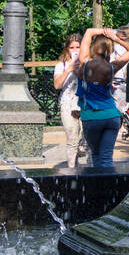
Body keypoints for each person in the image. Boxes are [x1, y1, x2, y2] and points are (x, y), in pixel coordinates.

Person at [76, 26, 129, 168]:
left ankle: (98, 188)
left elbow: (88, 31)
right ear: (109, 50)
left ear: (93, 48)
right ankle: (110, 187)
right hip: (111, 117)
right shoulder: (111, 68)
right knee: (107, 157)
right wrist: (114, 36)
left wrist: (105, 31)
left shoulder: (84, 64)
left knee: (96, 155)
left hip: (91, 117)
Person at [53, 33, 86, 168]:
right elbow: (56, 85)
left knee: (87, 141)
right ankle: (72, 170)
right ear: (67, 49)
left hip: (85, 103)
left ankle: (91, 169)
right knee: (72, 140)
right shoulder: (61, 65)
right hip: (67, 103)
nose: (75, 50)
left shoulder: (88, 62)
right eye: (72, 47)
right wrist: (69, 69)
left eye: (78, 47)